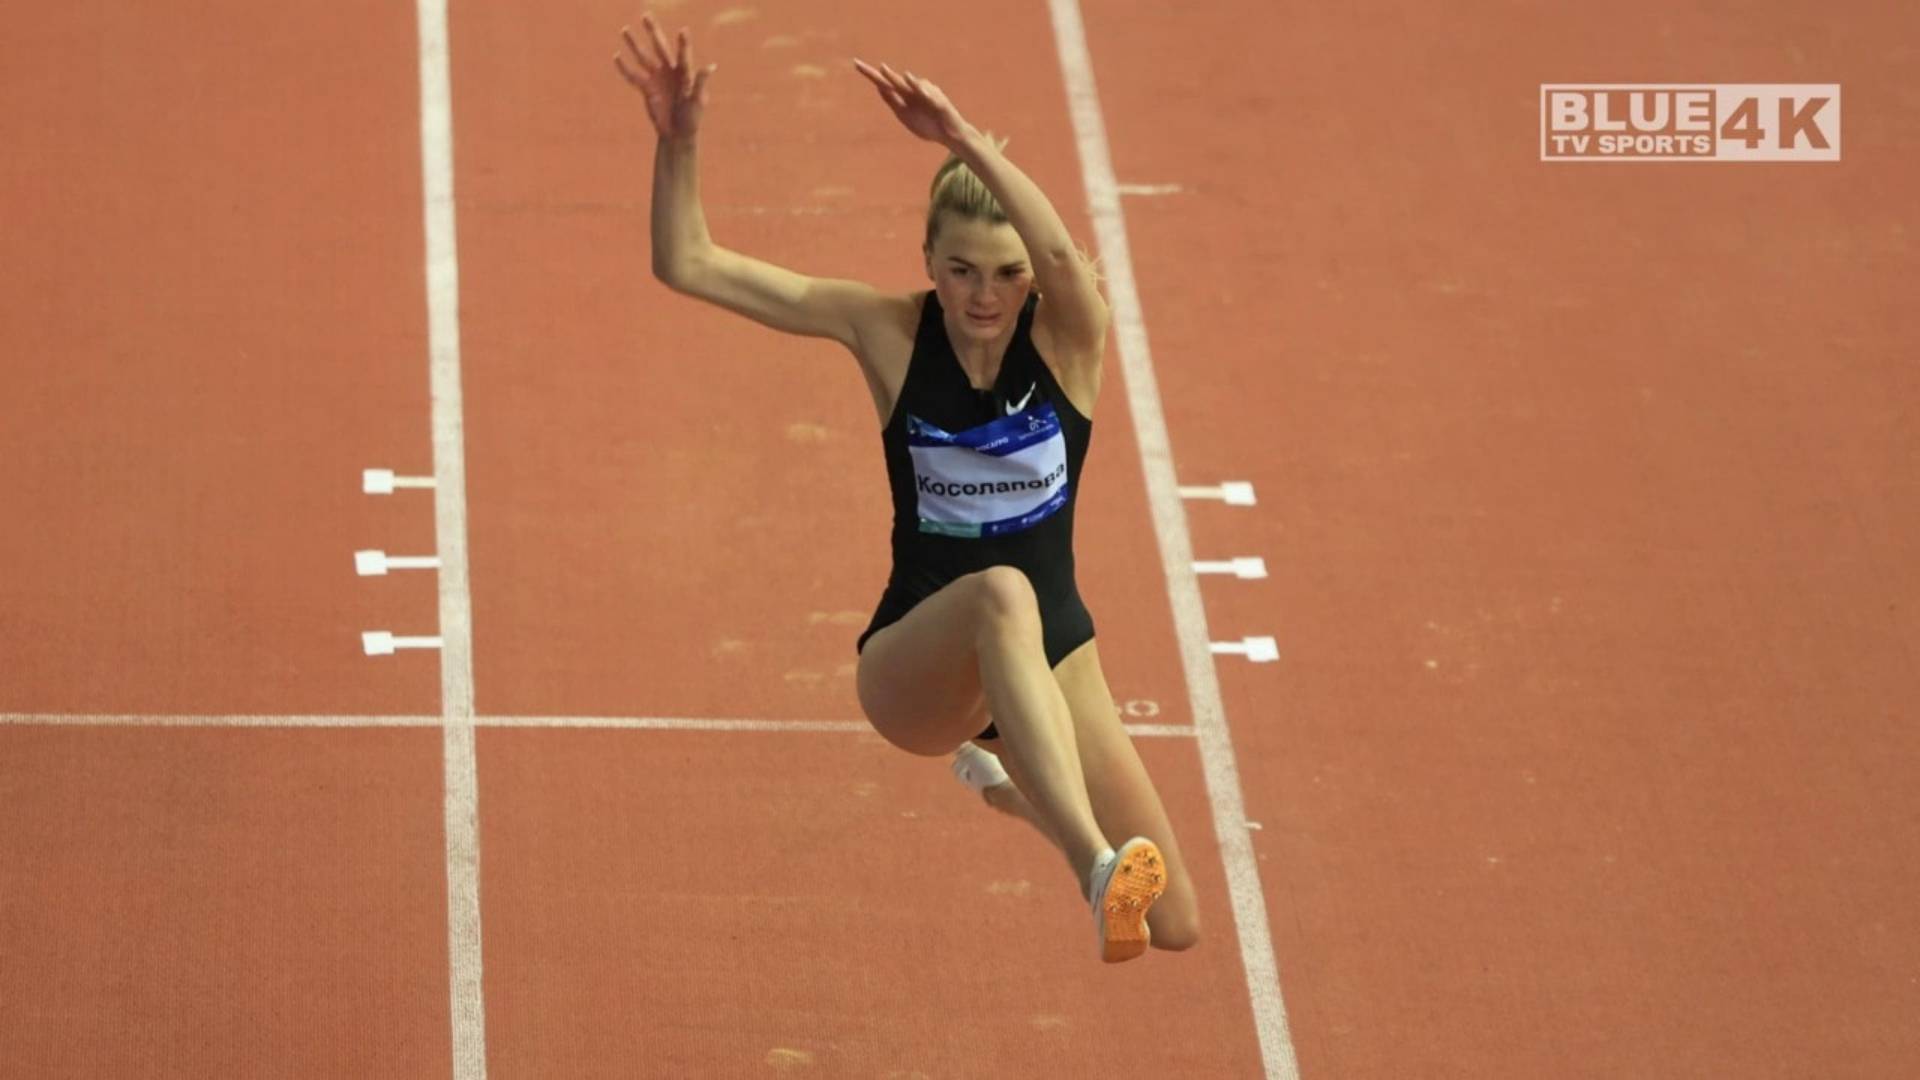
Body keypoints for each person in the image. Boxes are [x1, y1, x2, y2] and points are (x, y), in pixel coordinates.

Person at [615, 14, 1199, 962]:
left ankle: (1010, 790)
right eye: (960, 270)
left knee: (1176, 925)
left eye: (1005, 274)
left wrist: (963, 138)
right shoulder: (886, 332)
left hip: (1055, 655)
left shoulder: (1071, 339)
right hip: (918, 663)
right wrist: (678, 143)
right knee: (1001, 592)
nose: (983, 296)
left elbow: (1064, 261)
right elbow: (688, 262)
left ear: (1033, 277)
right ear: (928, 261)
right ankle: (1096, 867)